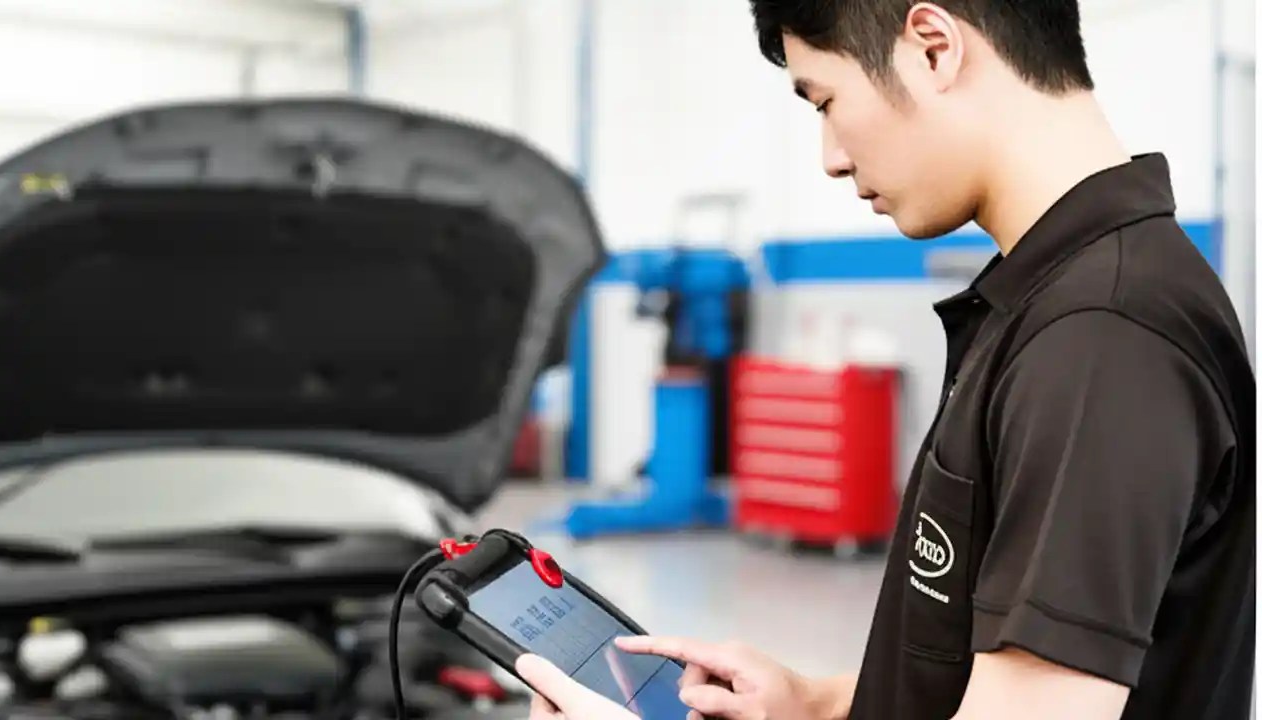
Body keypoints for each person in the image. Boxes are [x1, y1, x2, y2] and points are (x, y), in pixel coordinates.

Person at [518, 1, 1256, 718]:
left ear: (933, 46)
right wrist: (820, 705)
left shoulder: (1101, 336)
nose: (832, 158)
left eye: (825, 101)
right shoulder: (1054, 306)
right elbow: (982, 681)